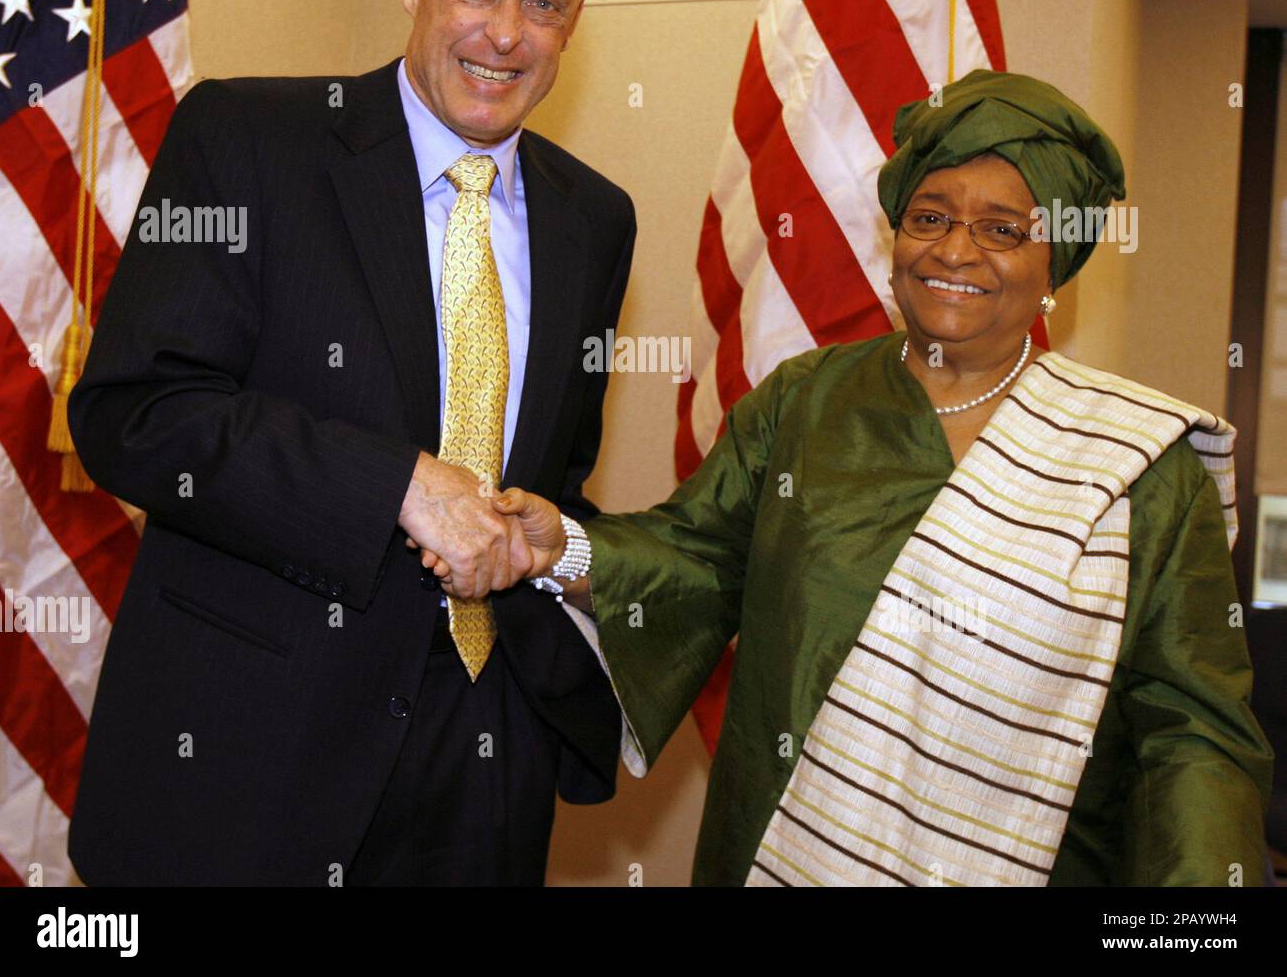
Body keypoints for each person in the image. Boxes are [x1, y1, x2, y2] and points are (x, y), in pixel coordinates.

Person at [470, 70, 1274, 886]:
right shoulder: (806, 401)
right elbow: (696, 561)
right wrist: (563, 550)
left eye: (1003, 230)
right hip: (783, 854)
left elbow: (1191, 731)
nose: (955, 251)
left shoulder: (1140, 461)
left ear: (1055, 265)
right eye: (930, 218)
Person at [67, 0, 636, 886]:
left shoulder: (596, 218)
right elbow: (135, 413)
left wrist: (559, 544)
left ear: (572, 25)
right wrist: (397, 486)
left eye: (543, 4)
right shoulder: (245, 139)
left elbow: (557, 473)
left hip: (481, 757)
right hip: (251, 755)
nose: (506, 31)